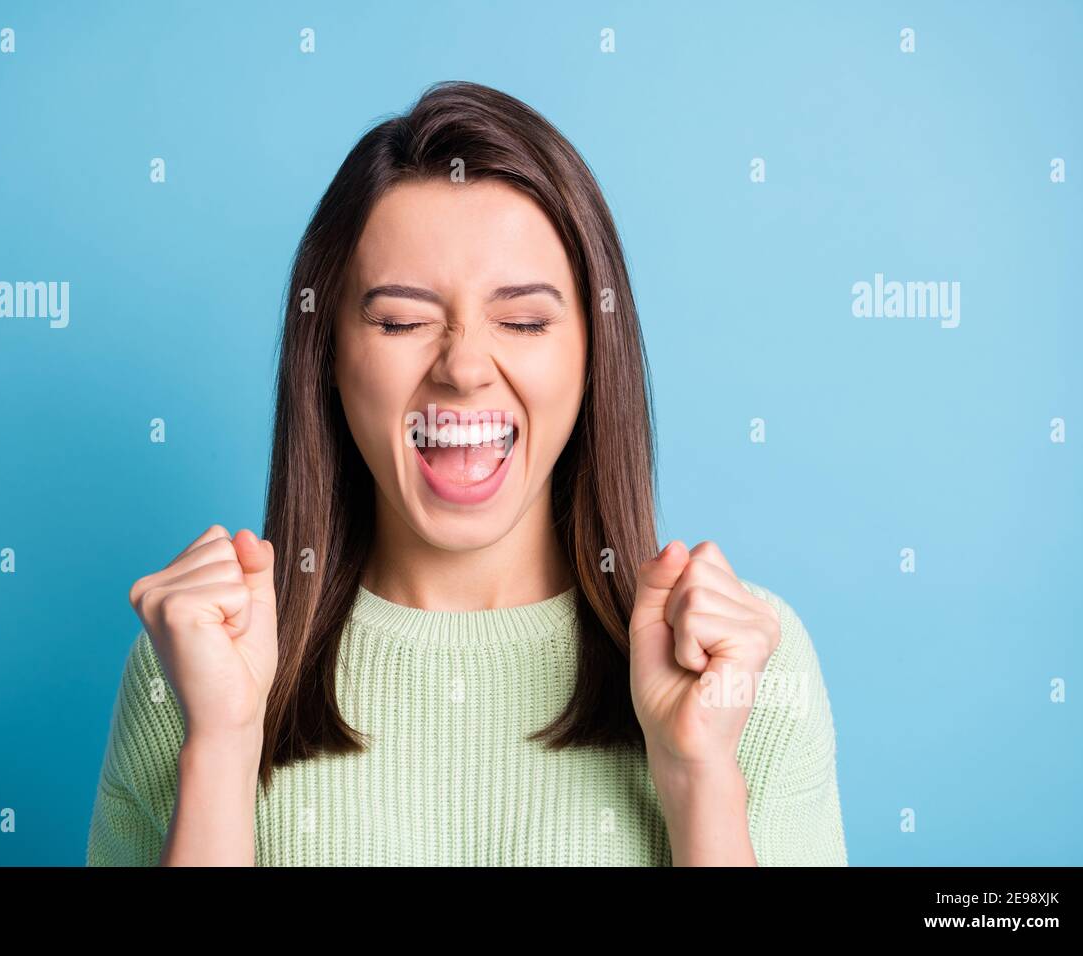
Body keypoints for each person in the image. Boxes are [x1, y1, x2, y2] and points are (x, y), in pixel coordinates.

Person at [86, 80, 847, 866]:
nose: (464, 366)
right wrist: (221, 746)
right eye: (402, 321)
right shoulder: (194, 660)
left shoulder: (747, 664)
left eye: (522, 321)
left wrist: (701, 778)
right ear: (328, 359)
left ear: (592, 355)